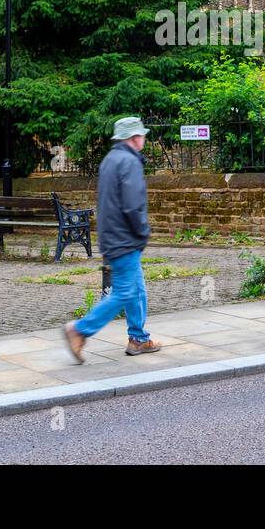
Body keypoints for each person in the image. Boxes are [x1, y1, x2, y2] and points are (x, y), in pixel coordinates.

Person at [64, 116, 162, 362]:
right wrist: (142, 231)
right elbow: (132, 205)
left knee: (136, 288)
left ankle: (139, 339)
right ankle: (80, 330)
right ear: (134, 138)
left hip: (112, 235)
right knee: (124, 292)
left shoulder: (110, 160)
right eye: (142, 135)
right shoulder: (129, 162)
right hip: (125, 238)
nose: (144, 139)